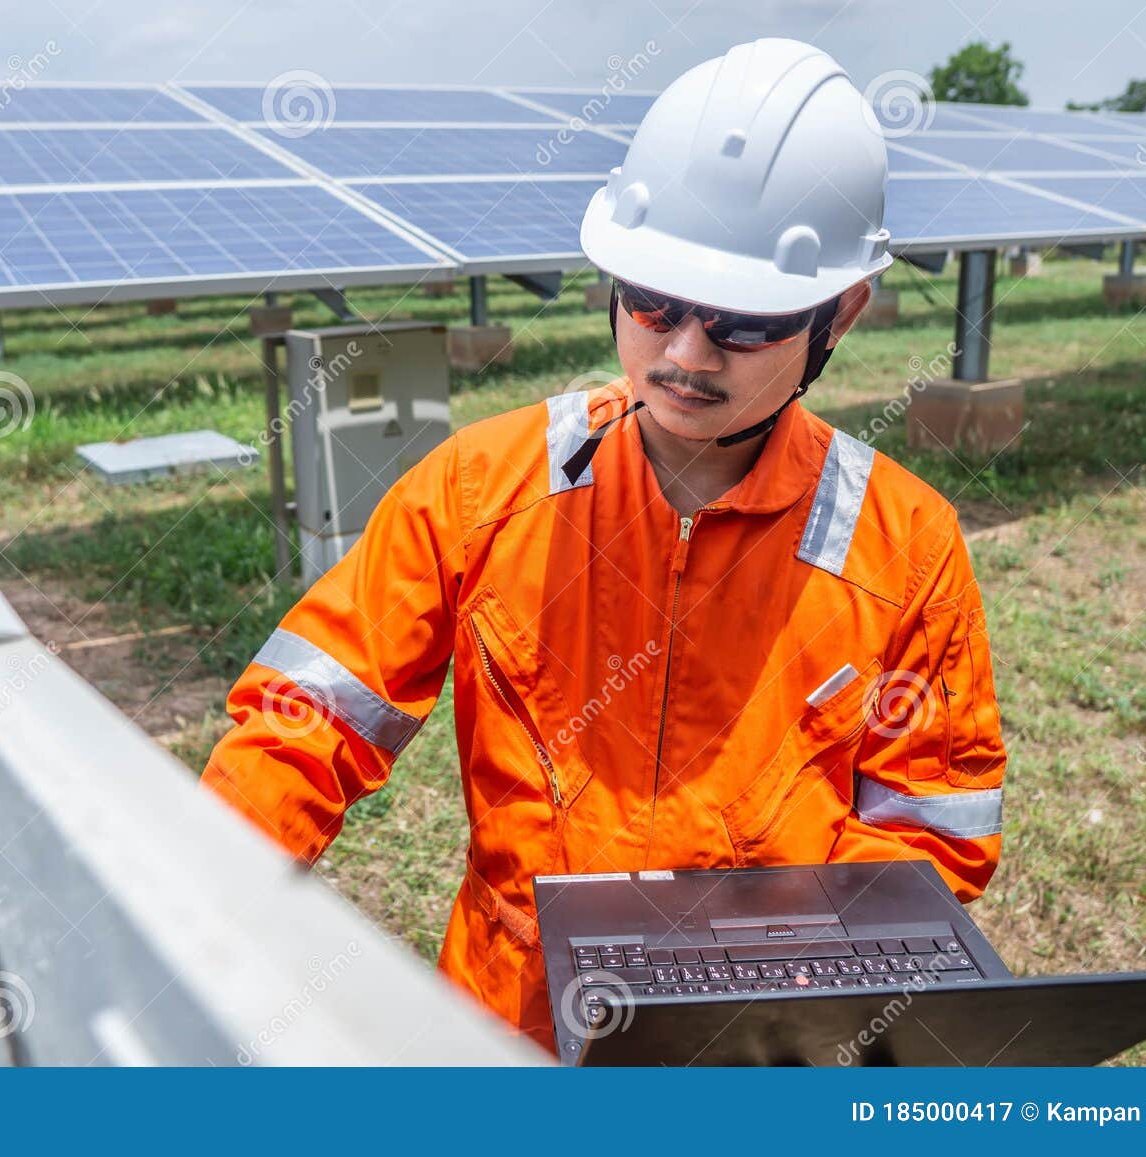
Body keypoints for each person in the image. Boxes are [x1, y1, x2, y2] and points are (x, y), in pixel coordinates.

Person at [200, 37, 1006, 1056]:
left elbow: (930, 831)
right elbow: (305, 723)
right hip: (506, 1029)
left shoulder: (904, 546)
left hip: (756, 1050)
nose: (681, 353)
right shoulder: (478, 489)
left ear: (837, 312)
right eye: (653, 300)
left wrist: (784, 992)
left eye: (740, 322)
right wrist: (203, 901)